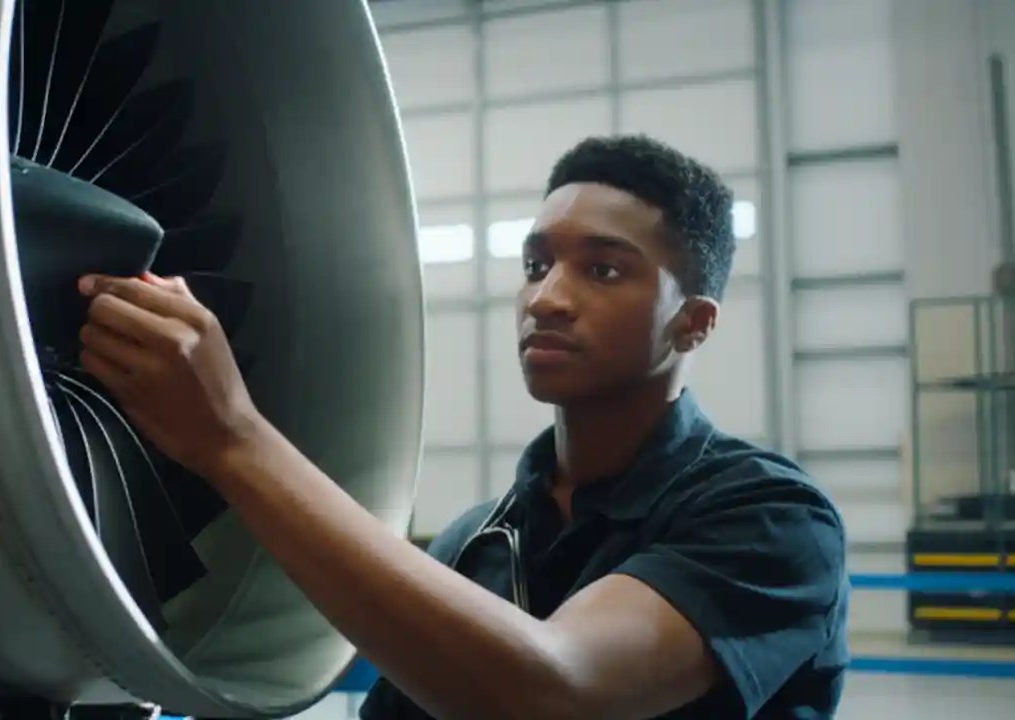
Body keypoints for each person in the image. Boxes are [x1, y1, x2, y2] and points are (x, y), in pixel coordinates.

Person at [75, 134, 849, 720]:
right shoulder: (480, 540)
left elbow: (554, 691)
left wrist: (231, 437)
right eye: (537, 264)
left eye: (603, 269)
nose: (547, 298)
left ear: (693, 323)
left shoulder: (771, 521)